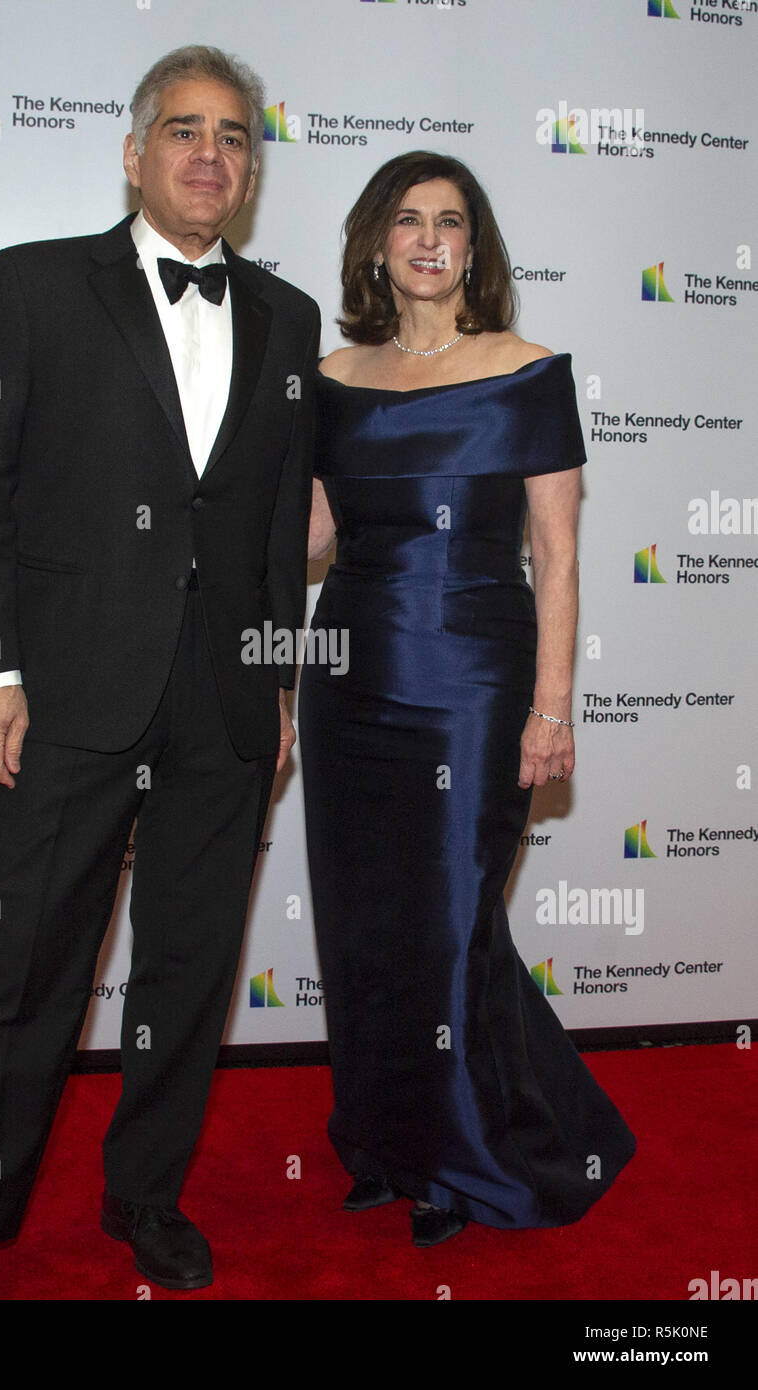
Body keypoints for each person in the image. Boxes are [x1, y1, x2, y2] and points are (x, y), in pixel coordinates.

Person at [0, 45, 320, 1298]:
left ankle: (143, 1197)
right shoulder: (32, 288)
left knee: (188, 973)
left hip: (222, 704)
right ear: (133, 151)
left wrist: (279, 680)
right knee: (25, 965)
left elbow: (269, 525)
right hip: (69, 691)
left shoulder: (290, 319)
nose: (209, 153)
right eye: (184, 130)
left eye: (234, 136)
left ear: (250, 170)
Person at [299, 151, 634, 1247]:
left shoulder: (526, 371)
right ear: (375, 245)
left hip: (472, 687)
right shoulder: (331, 377)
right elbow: (307, 539)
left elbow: (558, 553)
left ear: (474, 248)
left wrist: (550, 706)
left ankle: (459, 1156)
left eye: (449, 220)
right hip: (347, 681)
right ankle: (378, 1141)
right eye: (406, 220)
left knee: (447, 924)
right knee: (361, 926)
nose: (428, 238)